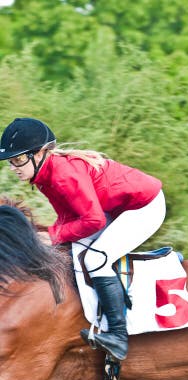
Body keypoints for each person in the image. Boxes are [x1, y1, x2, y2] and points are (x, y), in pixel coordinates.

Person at [0, 117, 165, 359]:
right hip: (115, 209)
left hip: (144, 207)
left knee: (95, 259)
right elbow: (69, 216)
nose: (14, 167)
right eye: (11, 162)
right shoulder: (44, 175)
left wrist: (53, 235)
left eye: (18, 160)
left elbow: (94, 220)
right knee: (71, 251)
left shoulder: (62, 175)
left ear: (39, 154)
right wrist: (51, 236)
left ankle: (118, 336)